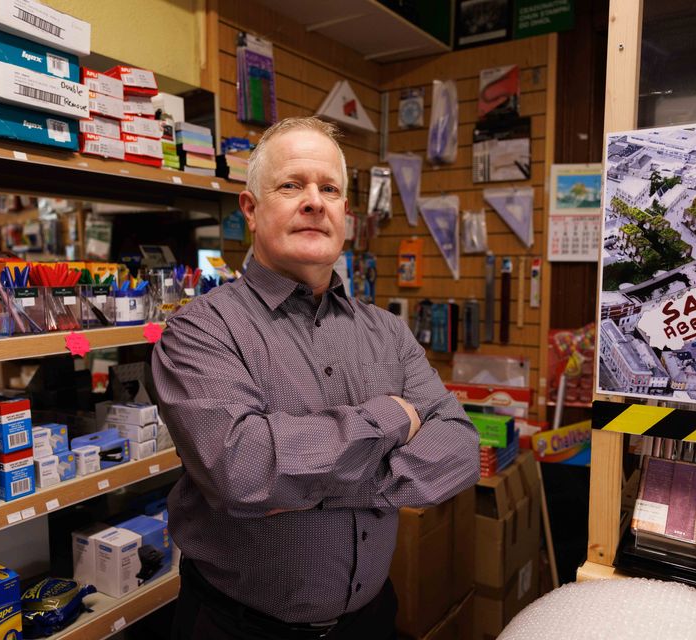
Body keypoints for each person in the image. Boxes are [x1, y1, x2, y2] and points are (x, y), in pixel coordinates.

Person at [152, 116, 479, 640]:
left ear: (346, 214)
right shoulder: (201, 330)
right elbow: (243, 469)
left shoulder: (388, 332)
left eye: (329, 189)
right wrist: (392, 418)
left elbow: (461, 447)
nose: (314, 201)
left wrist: (308, 482)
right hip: (237, 628)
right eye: (291, 186)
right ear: (251, 210)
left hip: (369, 622)